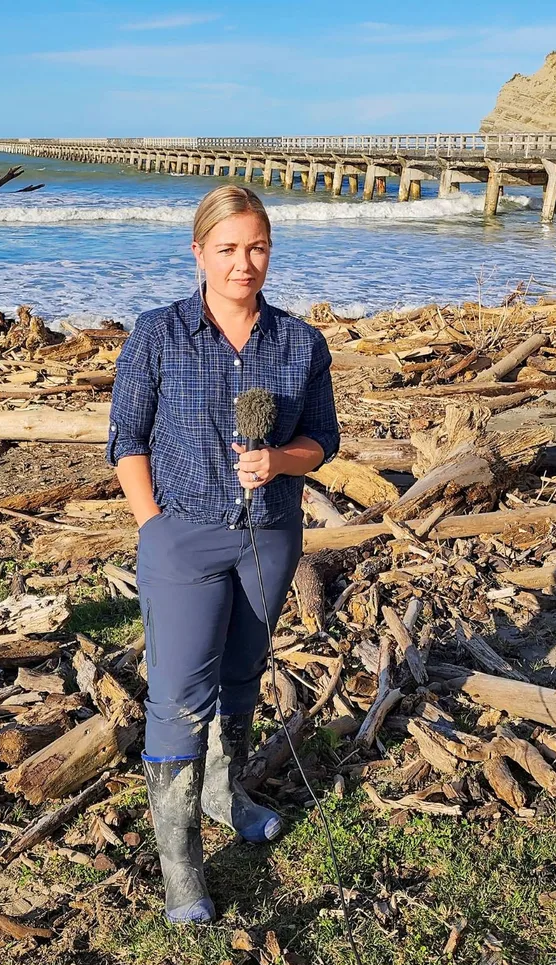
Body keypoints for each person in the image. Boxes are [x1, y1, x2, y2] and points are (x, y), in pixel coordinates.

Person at [106, 185, 340, 924]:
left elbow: (323, 443)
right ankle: (182, 869)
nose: (246, 263)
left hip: (270, 534)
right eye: (229, 248)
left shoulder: (301, 343)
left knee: (242, 674)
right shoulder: (158, 334)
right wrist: (153, 526)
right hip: (183, 535)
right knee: (179, 697)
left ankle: (222, 793)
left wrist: (280, 460)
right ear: (199, 253)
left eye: (258, 247)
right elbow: (126, 440)